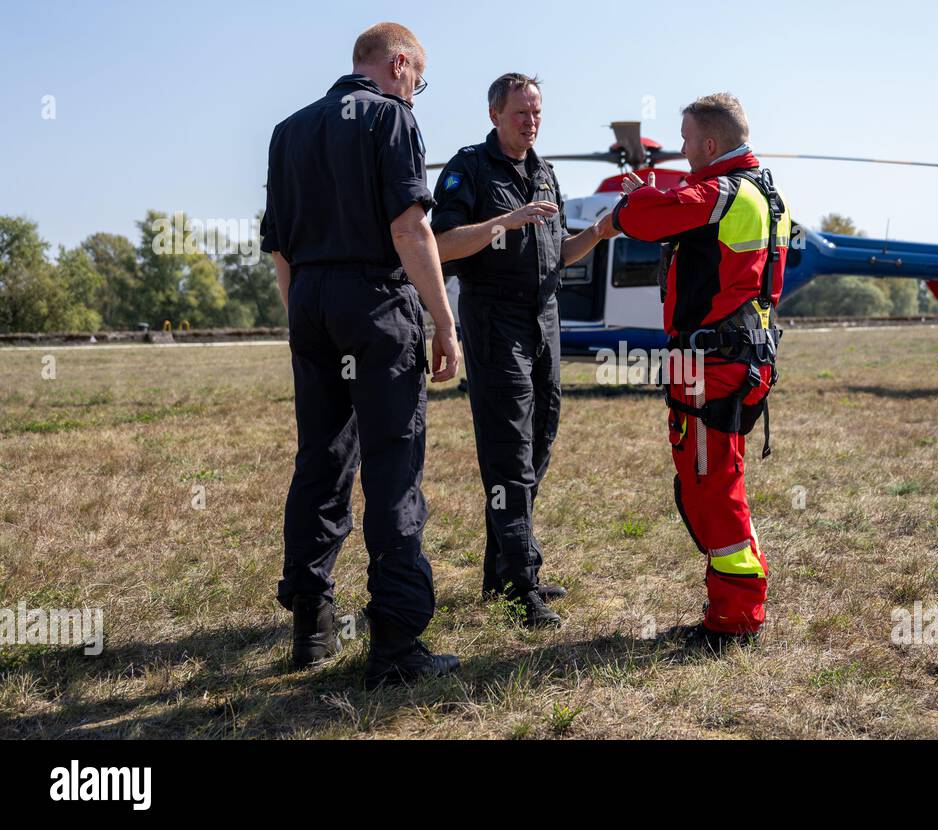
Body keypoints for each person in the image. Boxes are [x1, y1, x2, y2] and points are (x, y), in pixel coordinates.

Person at [260, 22, 461, 688]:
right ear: (399, 64)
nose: (416, 92)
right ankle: (397, 644)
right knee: (392, 465)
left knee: (320, 460)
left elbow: (279, 249)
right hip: (374, 300)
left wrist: (302, 322)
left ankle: (311, 628)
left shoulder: (288, 130)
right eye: (419, 80)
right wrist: (443, 321)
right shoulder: (392, 119)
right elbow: (410, 227)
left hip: (311, 299)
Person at [430, 73, 617, 628]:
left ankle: (502, 570)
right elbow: (440, 246)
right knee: (508, 452)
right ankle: (520, 582)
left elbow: (557, 254)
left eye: (537, 113)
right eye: (520, 114)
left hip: (544, 318)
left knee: (539, 443)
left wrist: (600, 234)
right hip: (495, 321)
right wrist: (502, 222)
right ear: (494, 115)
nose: (531, 122)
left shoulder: (545, 173)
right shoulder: (469, 169)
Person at [611, 93, 789, 648]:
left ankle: (735, 619)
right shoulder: (761, 192)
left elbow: (639, 220)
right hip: (731, 357)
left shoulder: (720, 192)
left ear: (710, 144)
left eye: (687, 141)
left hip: (711, 362)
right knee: (710, 482)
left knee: (713, 487)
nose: (683, 151)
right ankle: (729, 608)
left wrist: (636, 199)